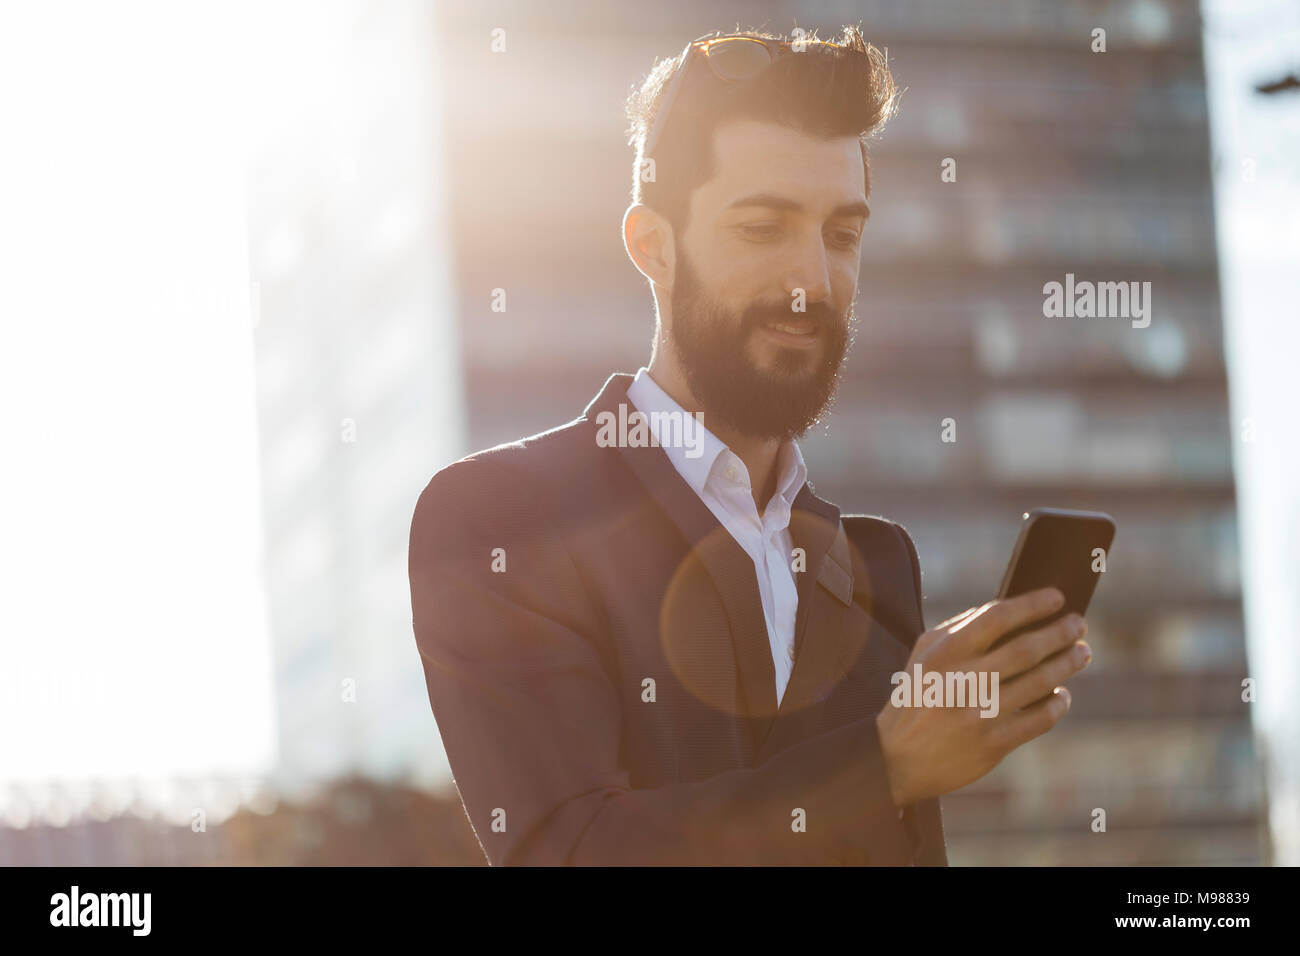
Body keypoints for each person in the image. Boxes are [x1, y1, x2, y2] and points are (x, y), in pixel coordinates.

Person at [407, 25, 1091, 865]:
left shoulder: (877, 567)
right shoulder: (498, 520)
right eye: (764, 228)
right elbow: (572, 850)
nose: (813, 280)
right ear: (652, 246)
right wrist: (887, 764)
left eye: (842, 234)